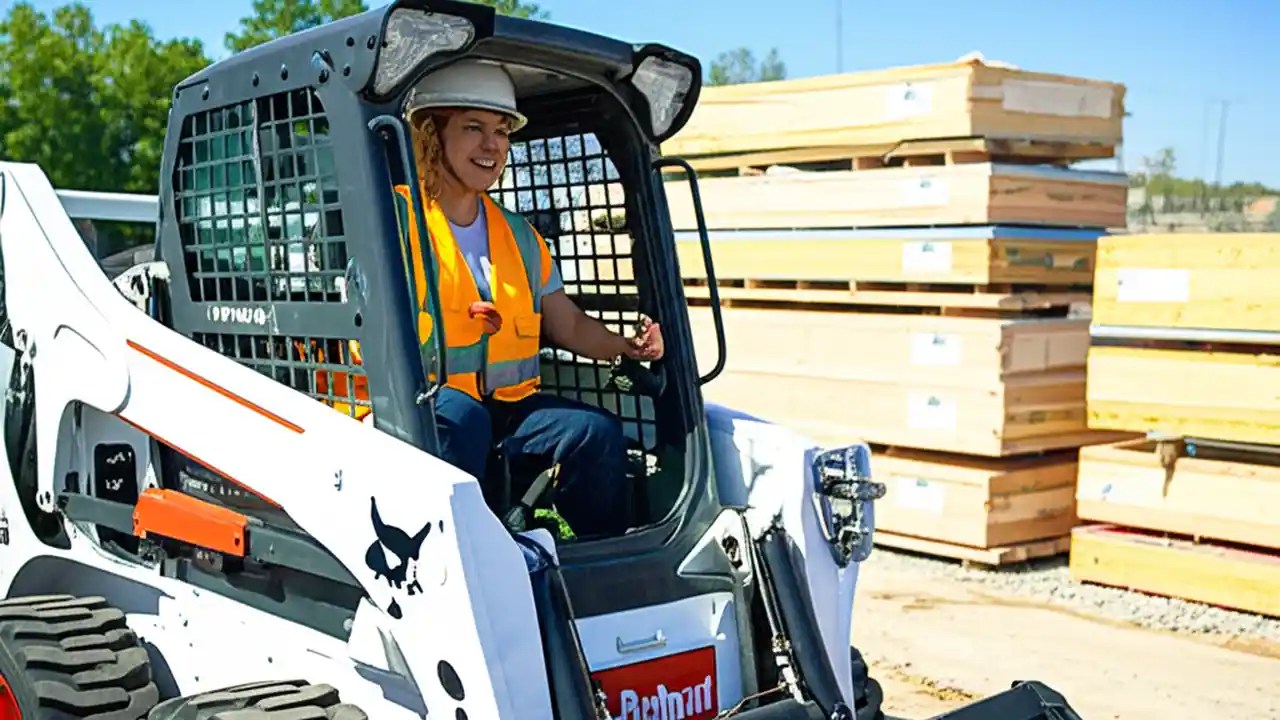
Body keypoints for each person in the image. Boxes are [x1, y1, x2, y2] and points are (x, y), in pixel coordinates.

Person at [394, 58, 664, 538]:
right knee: (464, 420)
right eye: (473, 127)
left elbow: (569, 325)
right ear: (432, 134)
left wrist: (625, 347)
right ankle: (463, 564)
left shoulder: (520, 237)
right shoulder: (392, 220)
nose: (492, 145)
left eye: (501, 131)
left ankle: (599, 568)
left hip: (506, 410)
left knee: (594, 433)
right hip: (416, 407)